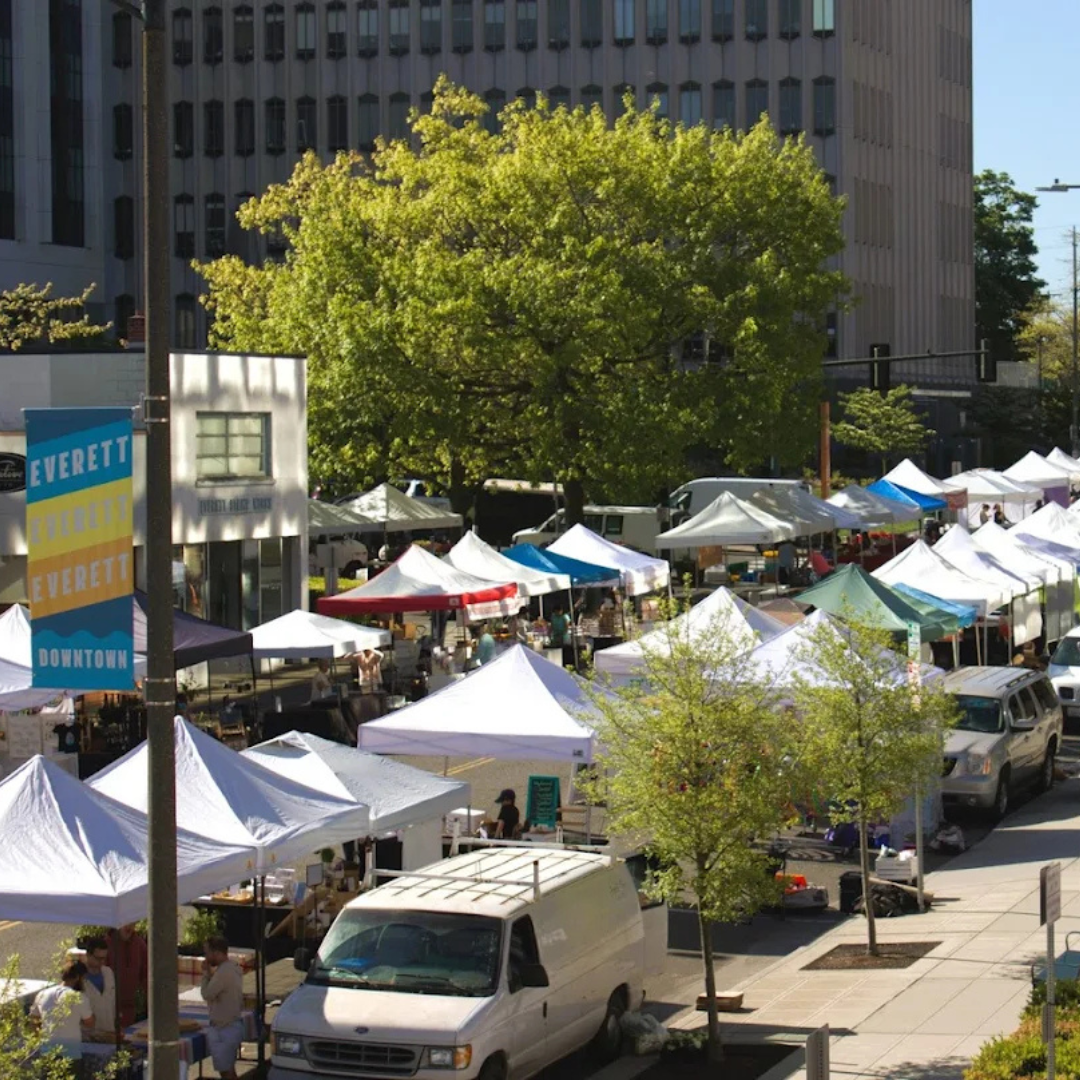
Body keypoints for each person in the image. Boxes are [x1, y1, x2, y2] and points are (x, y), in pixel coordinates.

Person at [31, 961, 94, 1065]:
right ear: (78, 978)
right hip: (70, 1054)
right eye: (84, 979)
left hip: (47, 1052)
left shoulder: (42, 994)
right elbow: (90, 1023)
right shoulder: (78, 997)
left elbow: (34, 1020)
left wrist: (39, 1039)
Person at [200, 935, 245, 1080]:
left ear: (217, 953)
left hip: (224, 1029)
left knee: (227, 1073)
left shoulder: (224, 971)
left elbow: (207, 993)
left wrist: (206, 975)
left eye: (207, 952)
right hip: (229, 1026)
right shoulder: (231, 968)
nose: (205, 957)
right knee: (228, 1071)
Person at [107, 923, 148, 1026]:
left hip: (133, 1008)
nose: (129, 927)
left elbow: (146, 974)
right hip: (111, 1007)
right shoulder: (107, 944)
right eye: (125, 923)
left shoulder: (139, 944)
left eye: (132, 923)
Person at [81, 936, 117, 1034]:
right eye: (98, 958)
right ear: (88, 955)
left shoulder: (108, 973)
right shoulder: (79, 978)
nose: (101, 961)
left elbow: (113, 1003)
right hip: (89, 1037)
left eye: (104, 958)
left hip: (109, 1032)